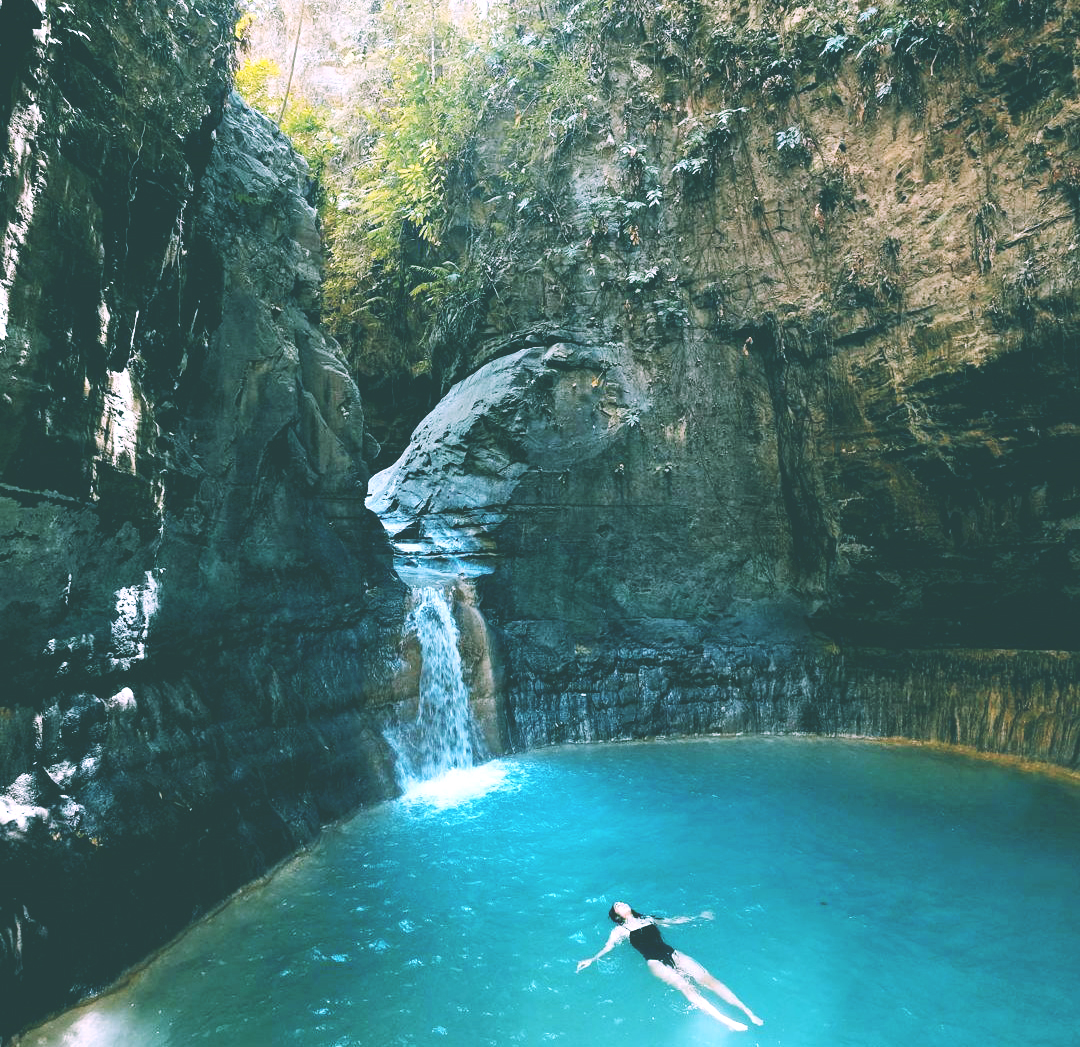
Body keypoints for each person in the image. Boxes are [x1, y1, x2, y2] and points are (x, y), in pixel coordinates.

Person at [576, 901, 763, 1032]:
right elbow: (608, 947)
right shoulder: (620, 930)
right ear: (616, 915)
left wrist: (699, 917)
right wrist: (592, 959)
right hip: (654, 962)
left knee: (709, 980)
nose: (622, 903)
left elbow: (673, 921)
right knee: (686, 987)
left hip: (673, 953)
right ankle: (725, 1020)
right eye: (617, 905)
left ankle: (747, 1011)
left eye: (622, 902)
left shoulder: (648, 919)